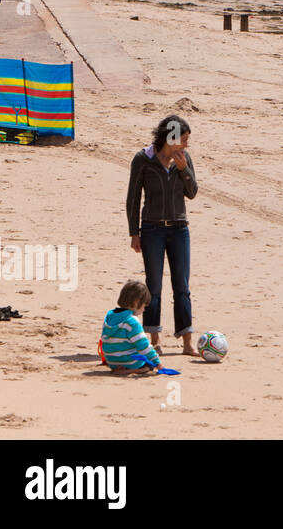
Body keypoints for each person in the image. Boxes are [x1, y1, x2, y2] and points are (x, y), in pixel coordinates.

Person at [126, 115, 198, 356]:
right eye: (184, 139)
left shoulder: (184, 159)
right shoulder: (143, 159)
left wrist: (183, 169)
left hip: (179, 229)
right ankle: (154, 339)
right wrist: (134, 232)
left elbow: (192, 192)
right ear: (171, 137)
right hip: (152, 230)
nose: (186, 144)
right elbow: (133, 198)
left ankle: (187, 342)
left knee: (182, 287)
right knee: (154, 287)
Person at [100, 280, 163, 375]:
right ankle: (131, 371)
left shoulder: (110, 315)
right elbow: (144, 346)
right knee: (149, 365)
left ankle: (120, 368)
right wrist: (158, 363)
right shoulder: (132, 321)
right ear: (136, 302)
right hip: (130, 363)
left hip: (111, 362)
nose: (144, 310)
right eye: (144, 306)